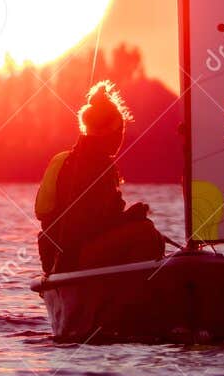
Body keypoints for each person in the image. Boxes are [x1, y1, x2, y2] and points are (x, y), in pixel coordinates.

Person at [36, 81, 165, 274]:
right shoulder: (97, 165)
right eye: (120, 131)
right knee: (147, 234)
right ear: (107, 132)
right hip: (72, 258)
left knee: (149, 231)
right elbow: (90, 225)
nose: (121, 137)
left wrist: (129, 218)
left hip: (56, 259)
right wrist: (131, 216)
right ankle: (135, 287)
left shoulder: (65, 159)